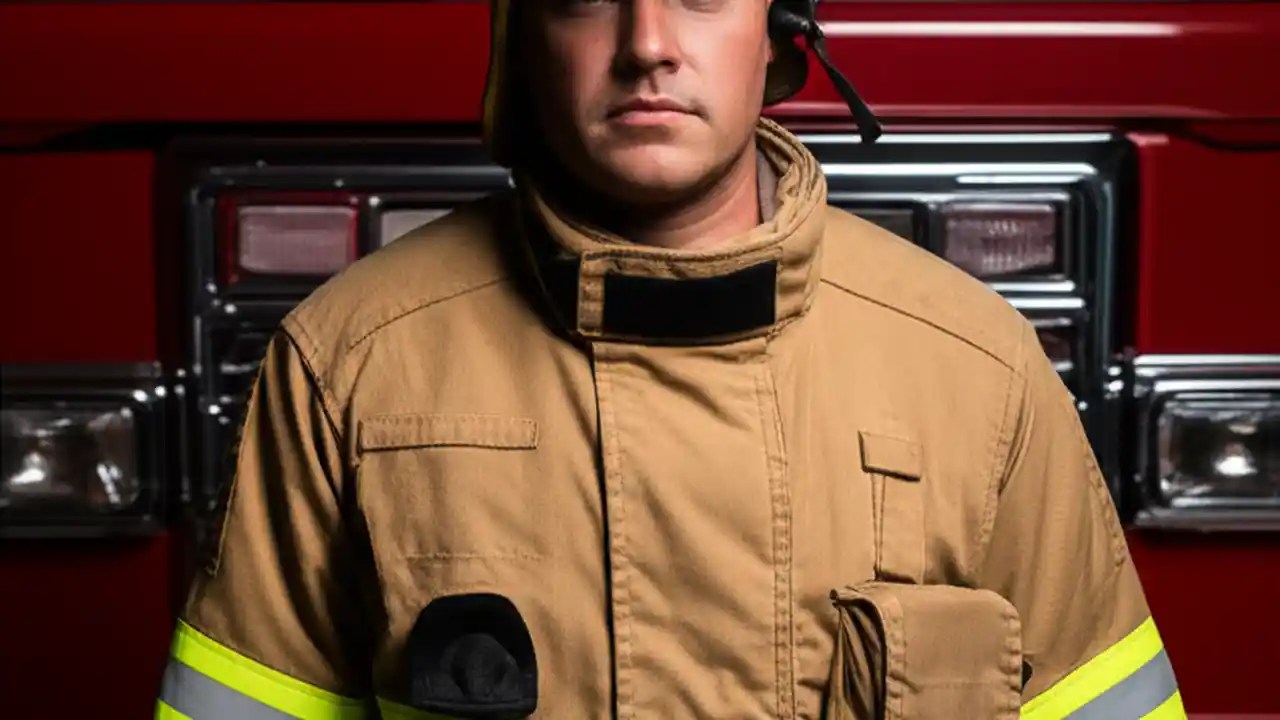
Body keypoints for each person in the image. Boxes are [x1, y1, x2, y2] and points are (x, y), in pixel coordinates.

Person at [155, 1, 1185, 718]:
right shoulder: (350, 367)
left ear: (777, 39)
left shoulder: (976, 370)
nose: (645, 45)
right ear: (521, 44)